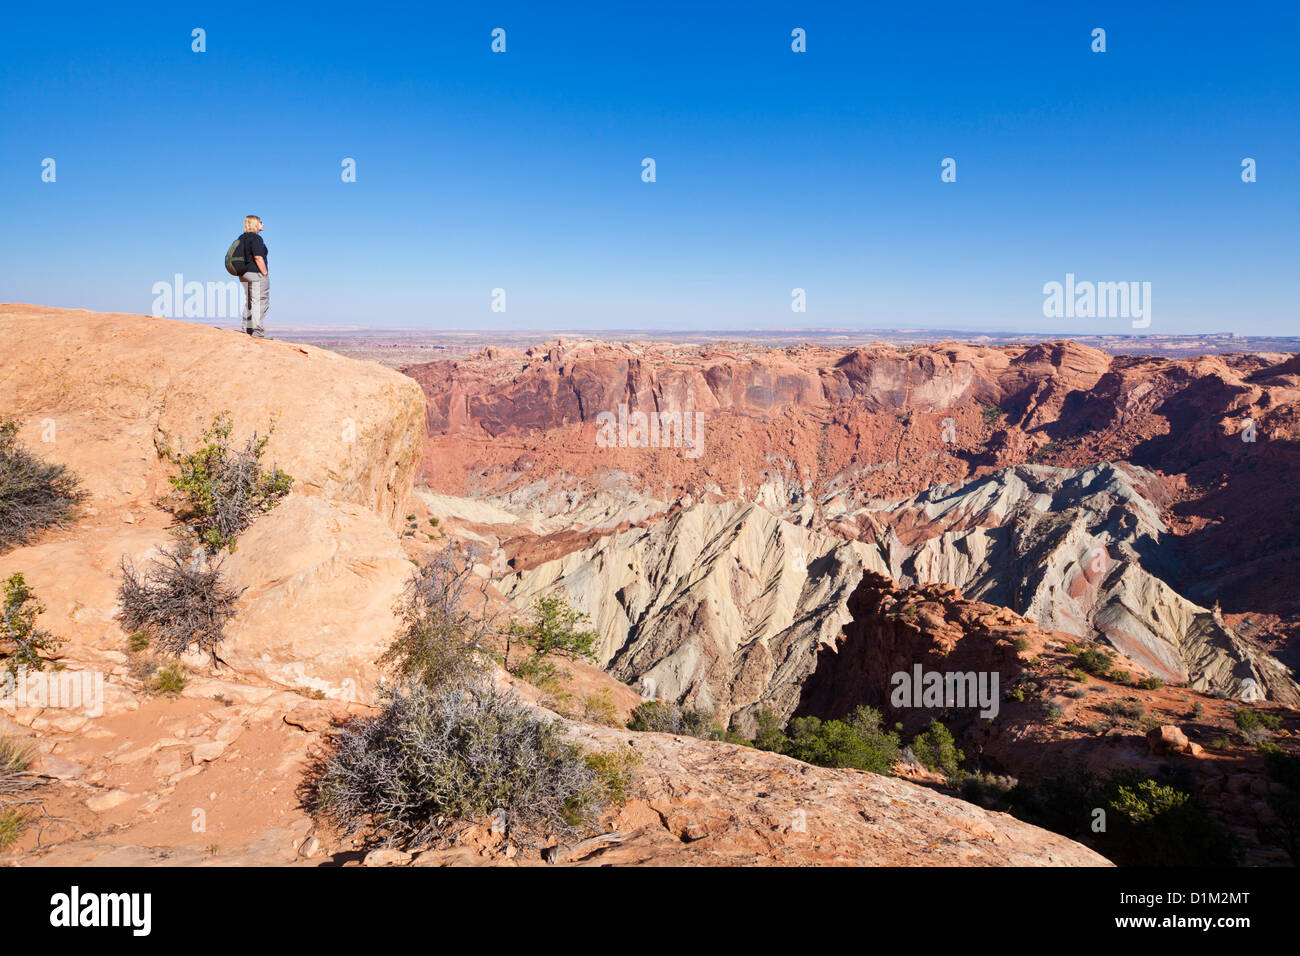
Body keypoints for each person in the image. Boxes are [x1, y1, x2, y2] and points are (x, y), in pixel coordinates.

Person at [237, 215, 269, 337]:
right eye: (261, 222)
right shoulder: (256, 239)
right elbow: (258, 257)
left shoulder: (241, 238)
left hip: (243, 274)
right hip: (256, 273)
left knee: (250, 301)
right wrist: (264, 273)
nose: (263, 224)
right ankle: (257, 331)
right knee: (259, 301)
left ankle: (246, 328)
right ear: (255, 223)